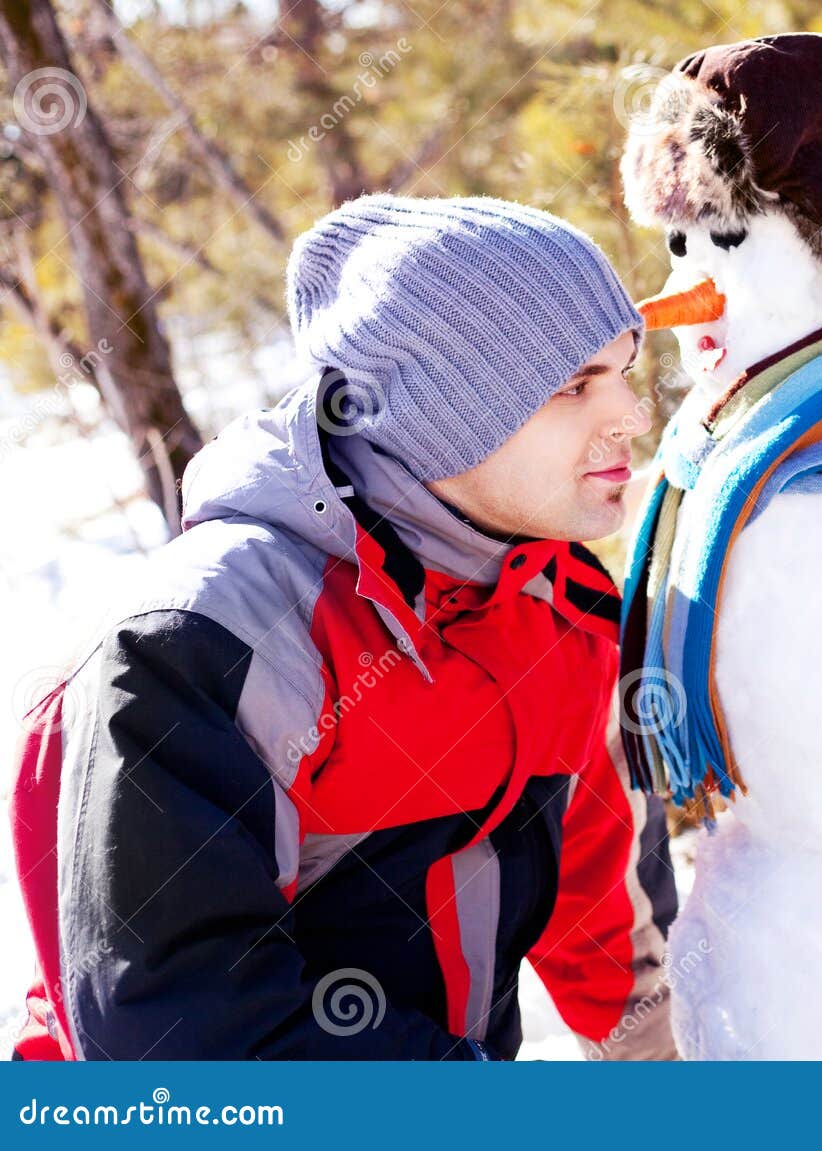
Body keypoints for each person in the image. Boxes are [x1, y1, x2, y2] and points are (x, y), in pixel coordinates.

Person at [8, 195, 677, 1060]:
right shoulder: (209, 638)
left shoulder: (563, 604)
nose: (632, 414)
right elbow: (170, 1030)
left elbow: (614, 934)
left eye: (626, 369)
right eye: (573, 384)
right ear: (441, 414)